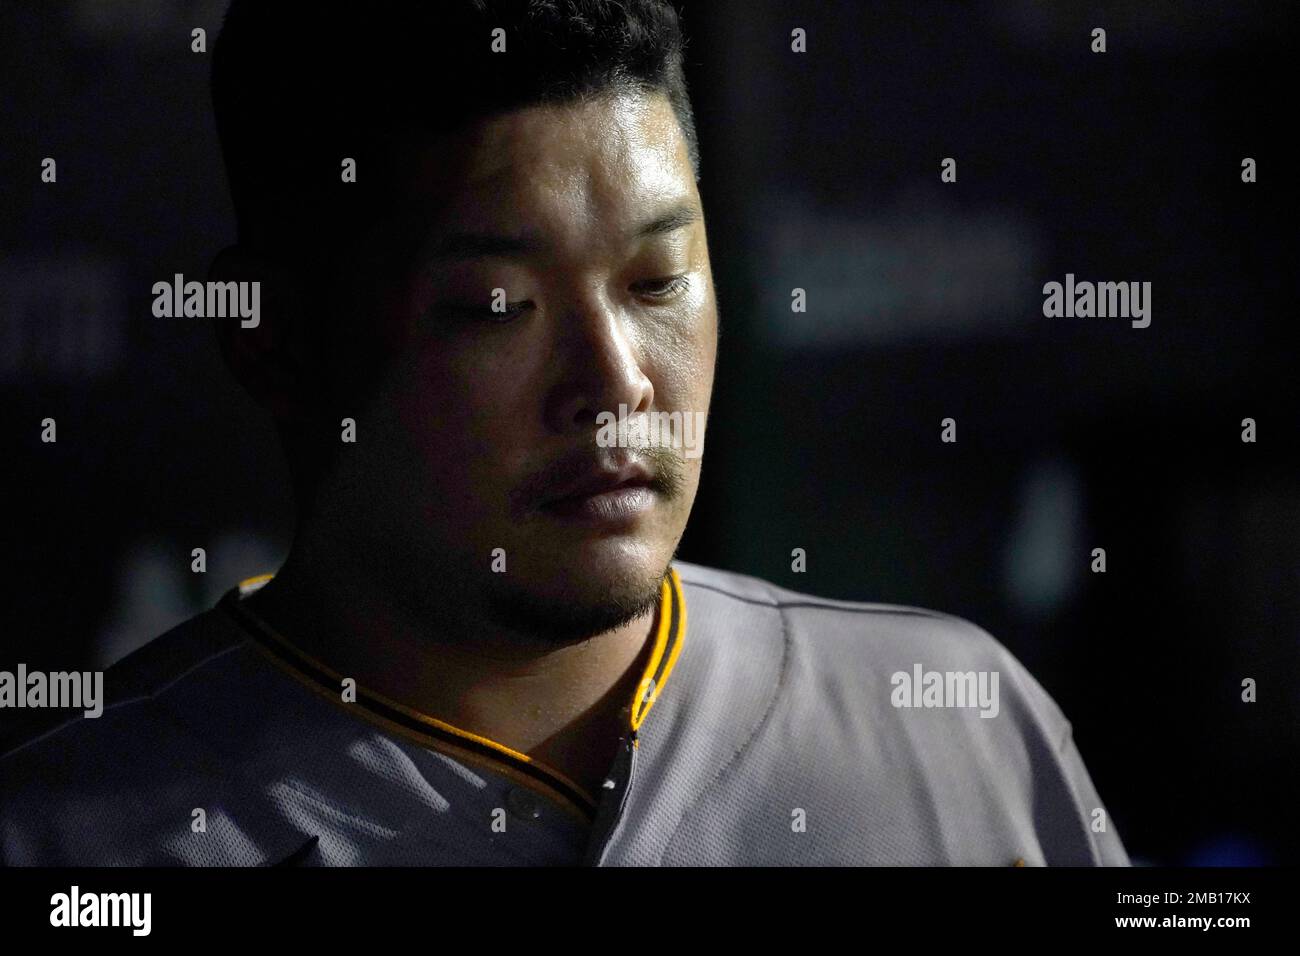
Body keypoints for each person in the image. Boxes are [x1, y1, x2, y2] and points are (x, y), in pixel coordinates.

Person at [0, 0, 1128, 866]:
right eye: (498, 307)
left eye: (656, 279)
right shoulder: (70, 841)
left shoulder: (953, 723)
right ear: (275, 341)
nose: (618, 381)